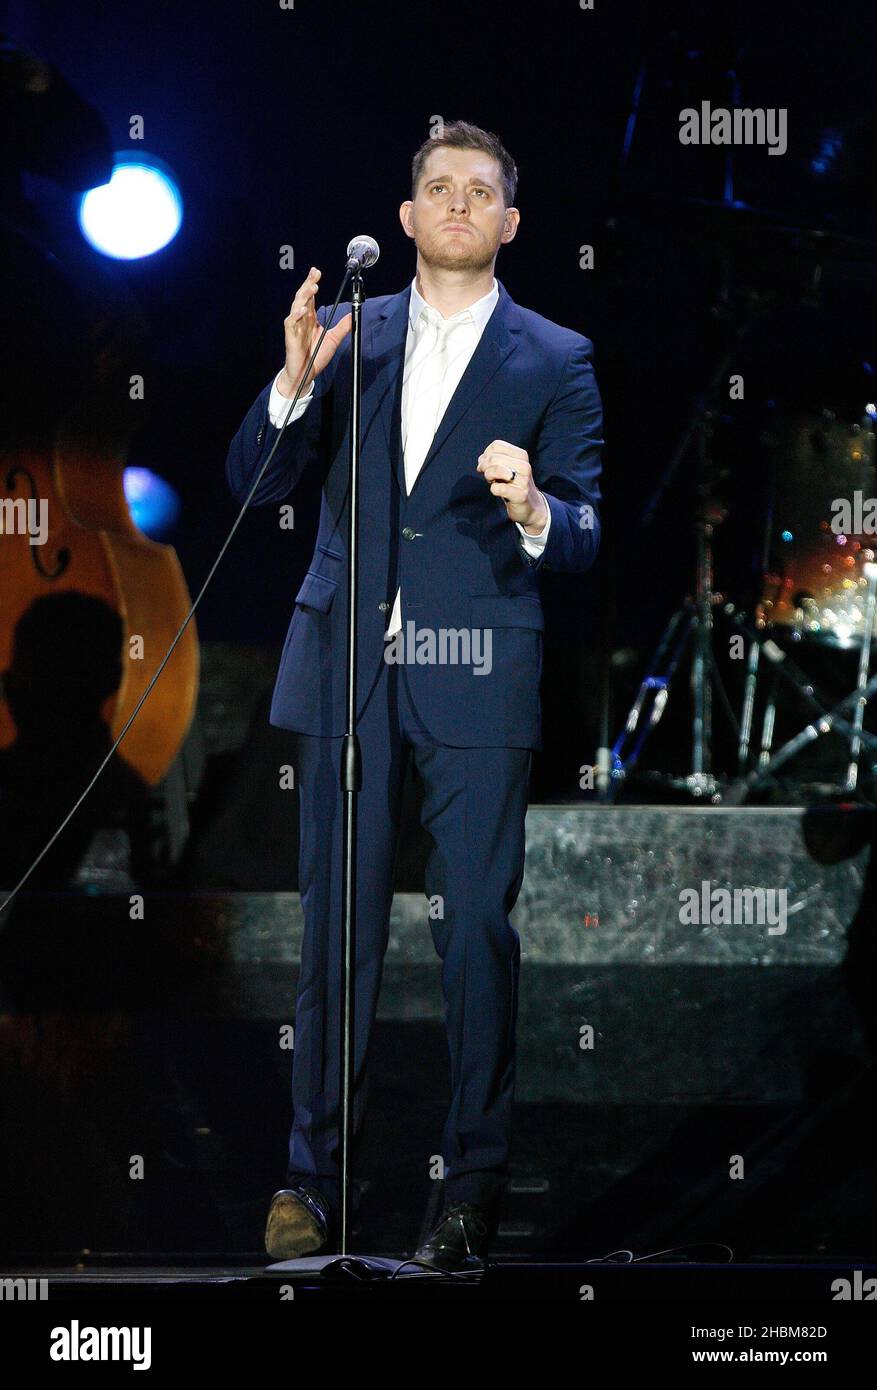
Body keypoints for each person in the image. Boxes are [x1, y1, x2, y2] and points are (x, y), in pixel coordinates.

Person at [225, 120, 603, 1272]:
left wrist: (536, 506)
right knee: (335, 937)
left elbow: (586, 532)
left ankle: (471, 1185)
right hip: (347, 664)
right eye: (435, 187)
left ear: (508, 223)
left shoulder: (554, 356)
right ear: (403, 218)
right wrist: (292, 382)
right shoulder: (346, 333)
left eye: (477, 190)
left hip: (479, 676)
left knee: (476, 934)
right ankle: (311, 1178)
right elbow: (255, 485)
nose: (454, 202)